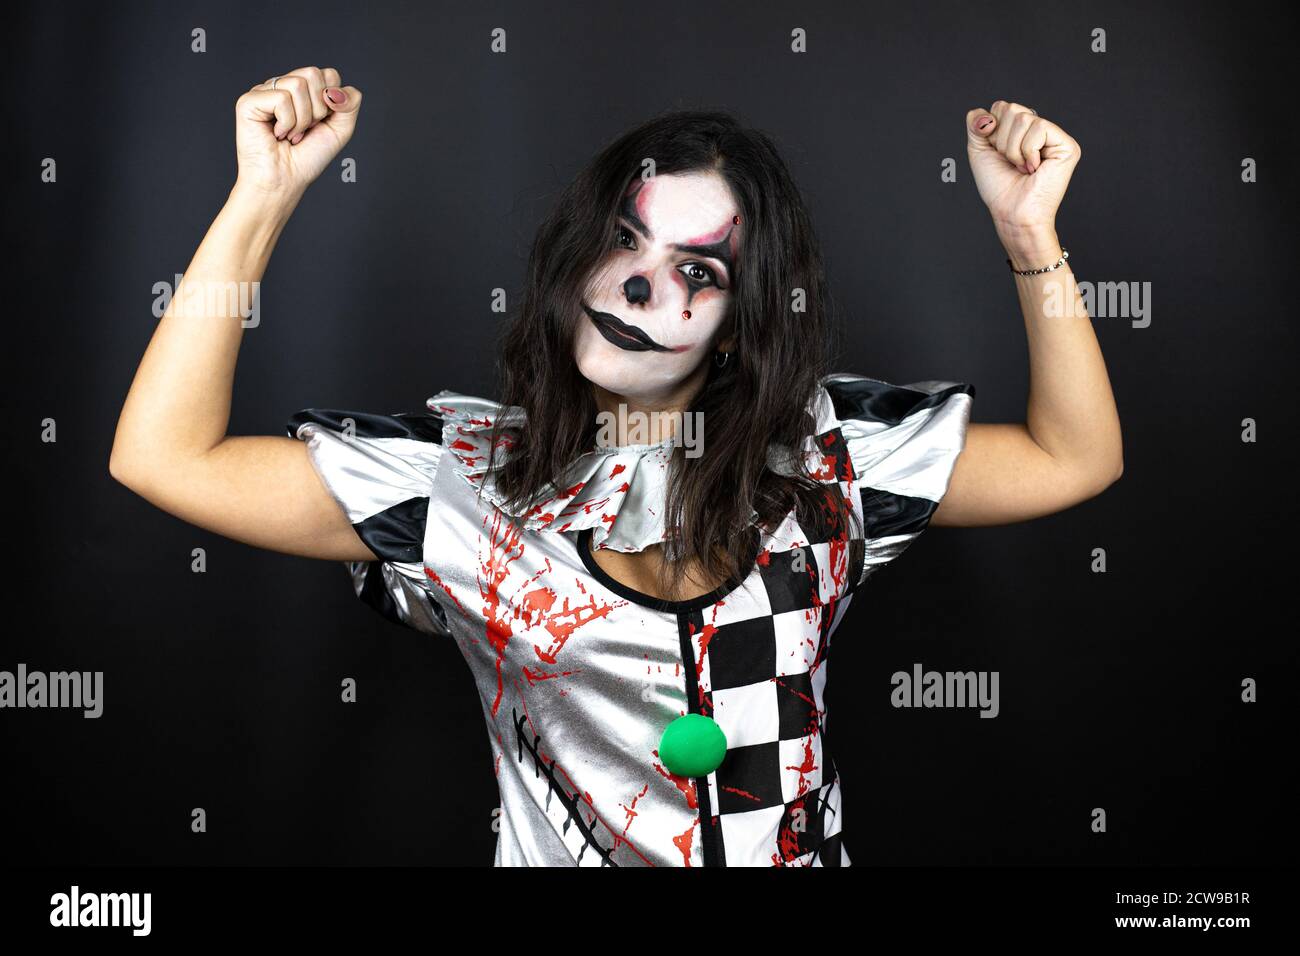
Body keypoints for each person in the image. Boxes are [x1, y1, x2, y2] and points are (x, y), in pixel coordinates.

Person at [109, 65, 1122, 867]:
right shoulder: (457, 488)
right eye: (624, 239)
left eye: (697, 272)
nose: (639, 284)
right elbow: (164, 456)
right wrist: (262, 197)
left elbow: (1072, 457)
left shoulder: (825, 466)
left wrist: (1028, 234)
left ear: (737, 326)